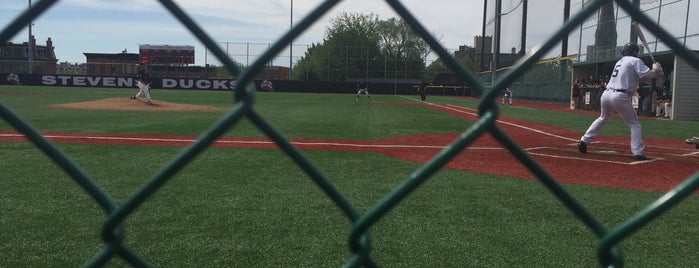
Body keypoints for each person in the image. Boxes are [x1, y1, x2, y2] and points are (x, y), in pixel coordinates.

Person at [577, 43, 663, 160]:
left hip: (606, 94)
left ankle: (584, 140)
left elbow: (641, 77)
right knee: (634, 124)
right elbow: (647, 75)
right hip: (620, 95)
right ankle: (637, 152)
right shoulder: (635, 61)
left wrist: (655, 72)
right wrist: (656, 71)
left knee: (603, 118)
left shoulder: (620, 62)